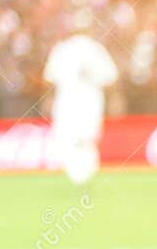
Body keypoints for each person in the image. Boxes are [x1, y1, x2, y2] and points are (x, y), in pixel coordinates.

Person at [42, 19, 118, 186]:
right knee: (86, 141)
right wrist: (115, 100)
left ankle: (78, 176)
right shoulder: (96, 49)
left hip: (67, 103)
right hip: (90, 103)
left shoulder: (62, 49)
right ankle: (84, 176)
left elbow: (49, 79)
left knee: (69, 140)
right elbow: (111, 79)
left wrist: (48, 99)